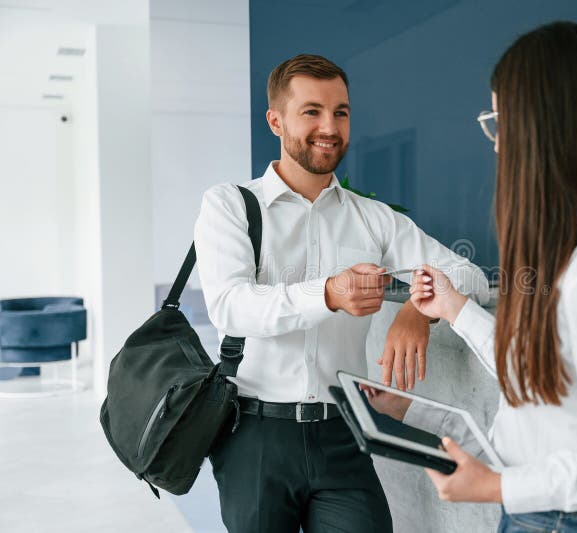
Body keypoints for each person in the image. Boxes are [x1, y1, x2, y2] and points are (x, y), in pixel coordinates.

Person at [377, 22, 577, 532]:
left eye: (499, 123)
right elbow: (540, 378)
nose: (496, 146)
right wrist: (455, 310)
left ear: (540, 128)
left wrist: (499, 486)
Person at [193, 54, 489, 533]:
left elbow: (469, 274)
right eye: (311, 111)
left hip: (343, 435)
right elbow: (231, 307)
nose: (329, 127)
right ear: (276, 121)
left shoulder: (374, 218)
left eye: (341, 112)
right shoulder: (230, 206)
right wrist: (328, 293)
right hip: (254, 435)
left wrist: (419, 309)